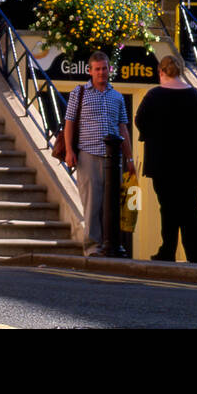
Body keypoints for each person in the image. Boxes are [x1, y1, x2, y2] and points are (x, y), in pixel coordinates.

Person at [134, 54, 197, 262]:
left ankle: (168, 250)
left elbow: (140, 121)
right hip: (190, 163)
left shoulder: (154, 96)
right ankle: (196, 253)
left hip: (162, 162)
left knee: (167, 207)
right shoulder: (195, 96)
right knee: (191, 206)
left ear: (161, 72)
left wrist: (156, 136)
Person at [63, 48, 135, 257]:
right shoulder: (79, 93)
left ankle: (109, 245)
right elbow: (70, 123)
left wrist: (129, 158)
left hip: (114, 159)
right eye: (97, 69)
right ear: (90, 71)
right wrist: (69, 151)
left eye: (104, 69)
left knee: (111, 205)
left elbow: (123, 128)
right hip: (88, 154)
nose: (101, 73)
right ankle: (92, 247)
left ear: (109, 69)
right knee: (92, 204)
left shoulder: (117, 97)